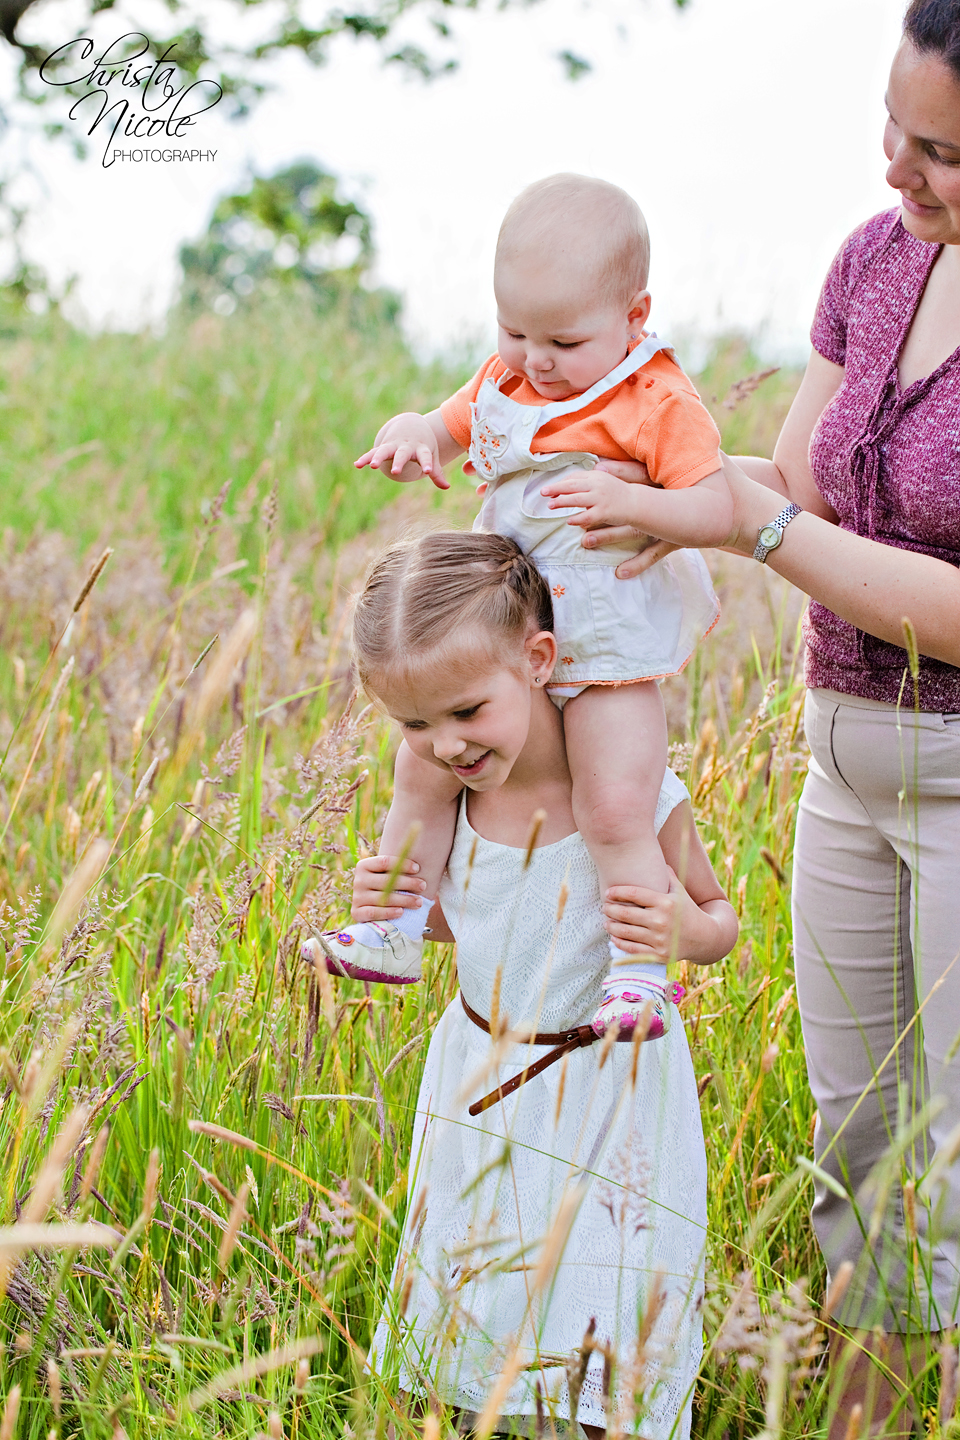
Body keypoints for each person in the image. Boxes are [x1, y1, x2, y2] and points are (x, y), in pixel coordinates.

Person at [540, 3, 960, 1432]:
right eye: (894, 128)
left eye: (945, 152)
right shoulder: (877, 258)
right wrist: (616, 471)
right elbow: (794, 476)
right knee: (865, 1161)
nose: (902, 170)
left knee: (953, 1168)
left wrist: (755, 532)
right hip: (844, 770)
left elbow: (791, 530)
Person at [304, 530, 737, 1437]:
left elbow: (717, 922)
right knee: (477, 1321)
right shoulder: (444, 796)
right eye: (414, 725)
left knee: (604, 1326)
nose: (444, 745)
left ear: (539, 661)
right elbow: (476, 919)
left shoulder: (628, 795)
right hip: (481, 1085)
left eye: (466, 711)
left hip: (611, 1095)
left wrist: (680, 931)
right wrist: (393, 912)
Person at [317, 174, 732, 1046]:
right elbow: (450, 422)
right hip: (505, 629)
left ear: (634, 314)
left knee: (616, 806)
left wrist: (644, 504)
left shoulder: (654, 398)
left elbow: (717, 504)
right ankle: (395, 926)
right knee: (422, 769)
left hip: (609, 644)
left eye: (563, 338)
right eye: (513, 331)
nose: (534, 359)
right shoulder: (510, 380)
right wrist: (416, 436)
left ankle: (639, 976)